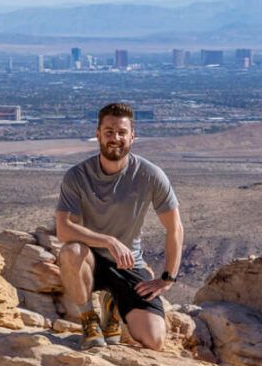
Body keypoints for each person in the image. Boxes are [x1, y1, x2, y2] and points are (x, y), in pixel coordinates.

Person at [55, 102, 183, 350]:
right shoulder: (77, 176)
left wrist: (167, 278)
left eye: (122, 132)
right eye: (109, 131)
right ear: (98, 134)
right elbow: (63, 229)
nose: (115, 138)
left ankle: (111, 307)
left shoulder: (149, 175)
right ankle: (90, 320)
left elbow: (175, 228)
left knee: (154, 340)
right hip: (89, 259)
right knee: (70, 252)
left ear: (132, 136)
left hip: (127, 264)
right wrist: (109, 241)